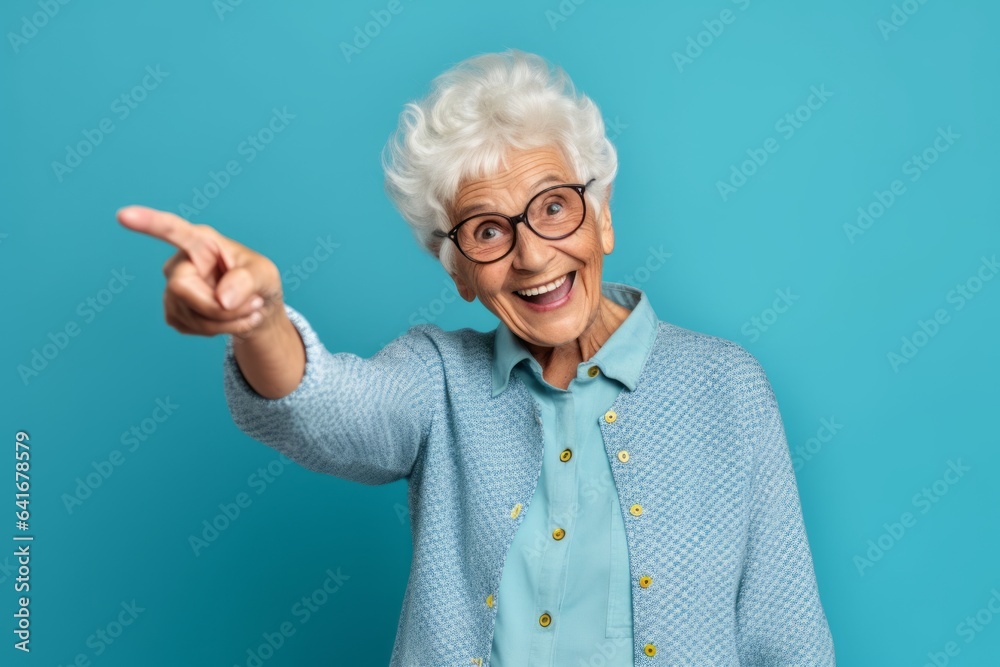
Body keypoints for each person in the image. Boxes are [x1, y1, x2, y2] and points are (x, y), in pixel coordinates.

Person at [118, 50, 835, 666]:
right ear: (459, 270)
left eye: (554, 207)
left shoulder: (726, 386)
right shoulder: (438, 378)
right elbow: (326, 410)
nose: (531, 255)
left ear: (603, 215)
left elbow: (788, 637)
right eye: (488, 230)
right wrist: (259, 319)